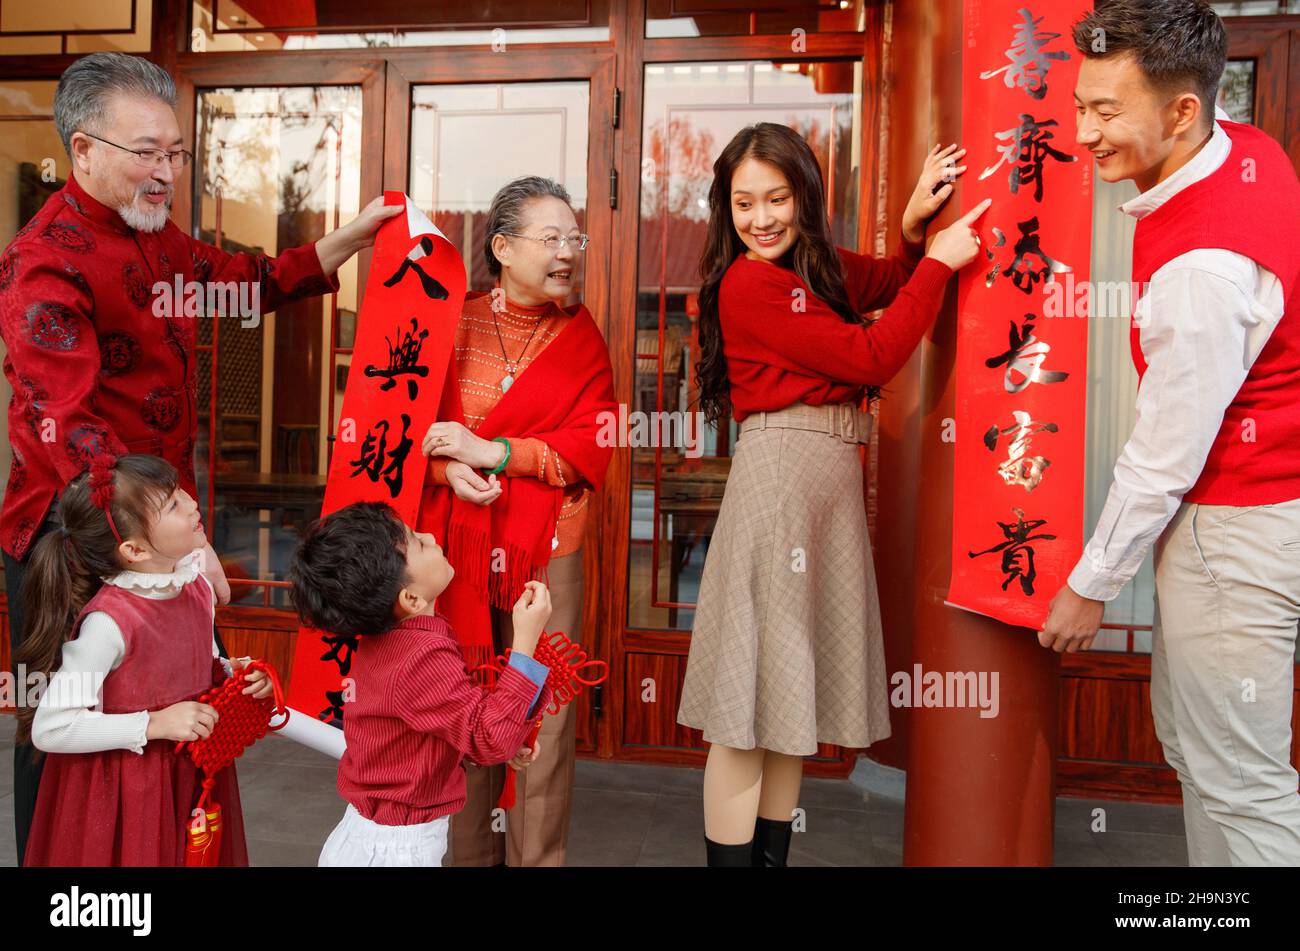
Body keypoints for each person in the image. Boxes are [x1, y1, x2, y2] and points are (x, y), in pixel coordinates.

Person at [0, 51, 399, 863]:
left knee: (164, 720)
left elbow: (243, 281)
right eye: (145, 151)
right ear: (82, 151)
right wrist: (180, 542)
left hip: (155, 526)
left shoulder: (158, 239)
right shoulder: (47, 260)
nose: (166, 171)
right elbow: (71, 429)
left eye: (176, 153)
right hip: (74, 534)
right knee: (64, 732)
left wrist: (349, 241)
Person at [676, 122, 987, 865]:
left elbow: (884, 283)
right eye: (744, 203)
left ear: (804, 197)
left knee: (787, 699)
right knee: (747, 707)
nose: (761, 219)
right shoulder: (750, 284)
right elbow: (876, 353)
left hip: (824, 479)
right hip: (782, 475)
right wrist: (940, 266)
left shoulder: (809, 268)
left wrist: (915, 232)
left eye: (777, 198)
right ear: (727, 209)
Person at [1039, 0, 1300, 866]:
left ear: (1183, 111)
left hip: (1236, 530)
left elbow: (1167, 449)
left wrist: (1091, 582)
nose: (1083, 132)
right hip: (1253, 517)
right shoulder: (1250, 150)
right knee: (1204, 759)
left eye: (1106, 111)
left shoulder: (1203, 268)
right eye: (1081, 105)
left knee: (1240, 783)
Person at [416, 176, 616, 867]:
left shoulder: (581, 338)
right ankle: (468, 859)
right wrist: (447, 470)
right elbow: (401, 431)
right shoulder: (449, 321)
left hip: (548, 546)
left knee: (546, 716)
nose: (568, 253)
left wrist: (495, 451)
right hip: (458, 547)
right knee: (465, 702)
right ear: (502, 247)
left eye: (574, 238)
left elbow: (596, 442)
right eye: (551, 238)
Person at [18, 454, 273, 866]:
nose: (192, 503)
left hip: (189, 775)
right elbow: (52, 726)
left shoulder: (197, 590)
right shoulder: (109, 623)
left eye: (180, 493)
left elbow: (195, 666)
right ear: (133, 549)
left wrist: (233, 675)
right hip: (126, 789)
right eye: (172, 504)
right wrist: (154, 723)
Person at [289, 501, 553, 867]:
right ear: (410, 598)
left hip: (378, 838)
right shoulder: (420, 657)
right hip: (394, 850)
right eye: (419, 543)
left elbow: (450, 722)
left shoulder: (399, 639)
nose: (431, 536)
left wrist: (507, 735)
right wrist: (525, 641)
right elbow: (487, 737)